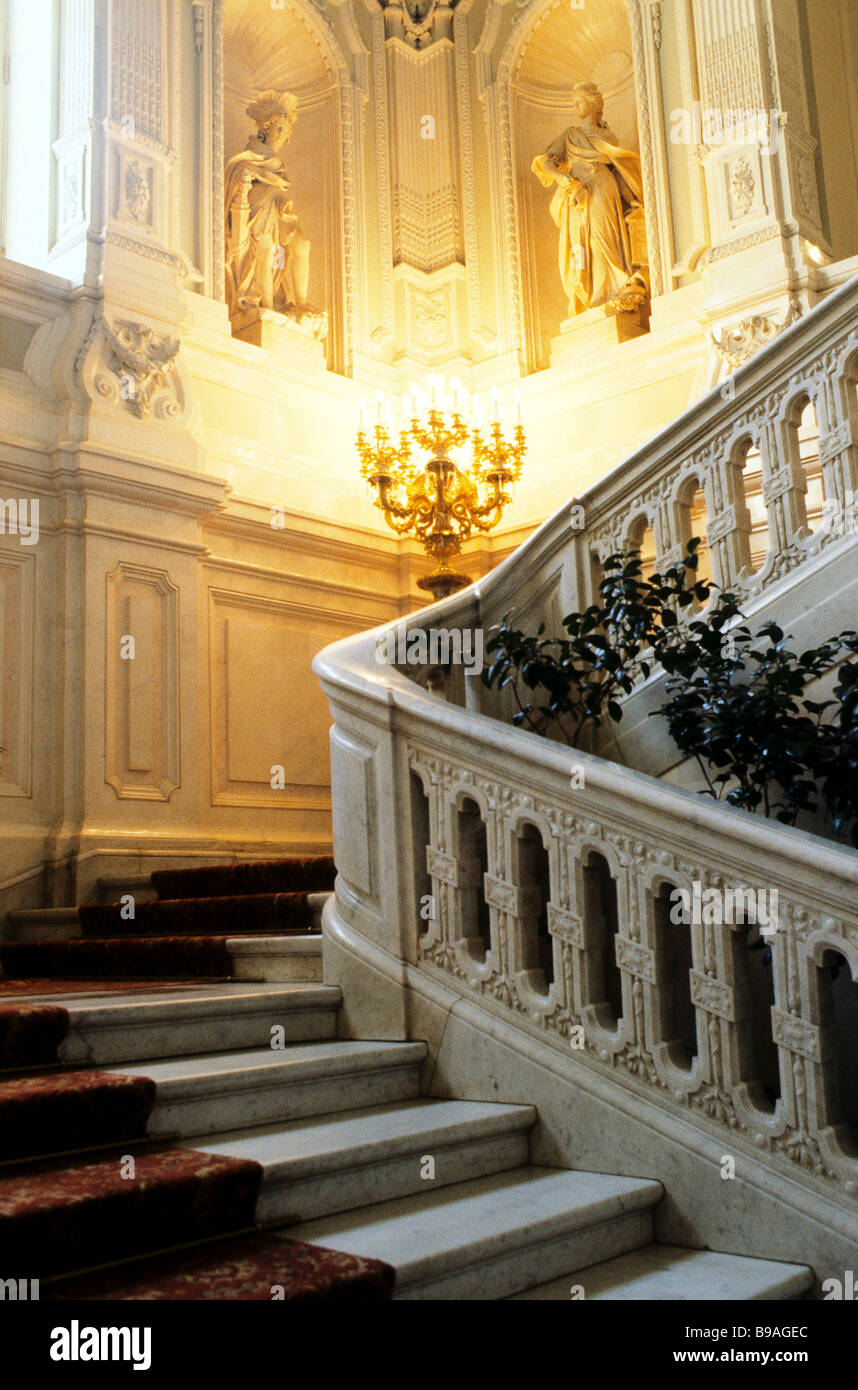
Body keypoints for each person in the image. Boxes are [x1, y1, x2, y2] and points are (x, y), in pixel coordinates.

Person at [532, 82, 647, 316]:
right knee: (581, 243)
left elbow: (618, 169)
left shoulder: (607, 136)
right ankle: (590, 295)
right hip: (576, 193)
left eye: (579, 101)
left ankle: (613, 290)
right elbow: (544, 162)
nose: (575, 106)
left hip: (602, 185)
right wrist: (564, 180)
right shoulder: (569, 135)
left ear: (593, 103)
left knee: (604, 237)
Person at [224, 90, 314, 323]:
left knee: (301, 244)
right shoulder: (251, 154)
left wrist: (279, 195)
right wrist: (266, 176)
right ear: (266, 129)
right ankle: (267, 306)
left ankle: (300, 302)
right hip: (256, 206)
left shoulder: (275, 161)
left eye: (286, 132)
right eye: (279, 129)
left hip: (276, 207)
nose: (283, 136)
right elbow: (239, 173)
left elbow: (274, 186)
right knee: (268, 251)